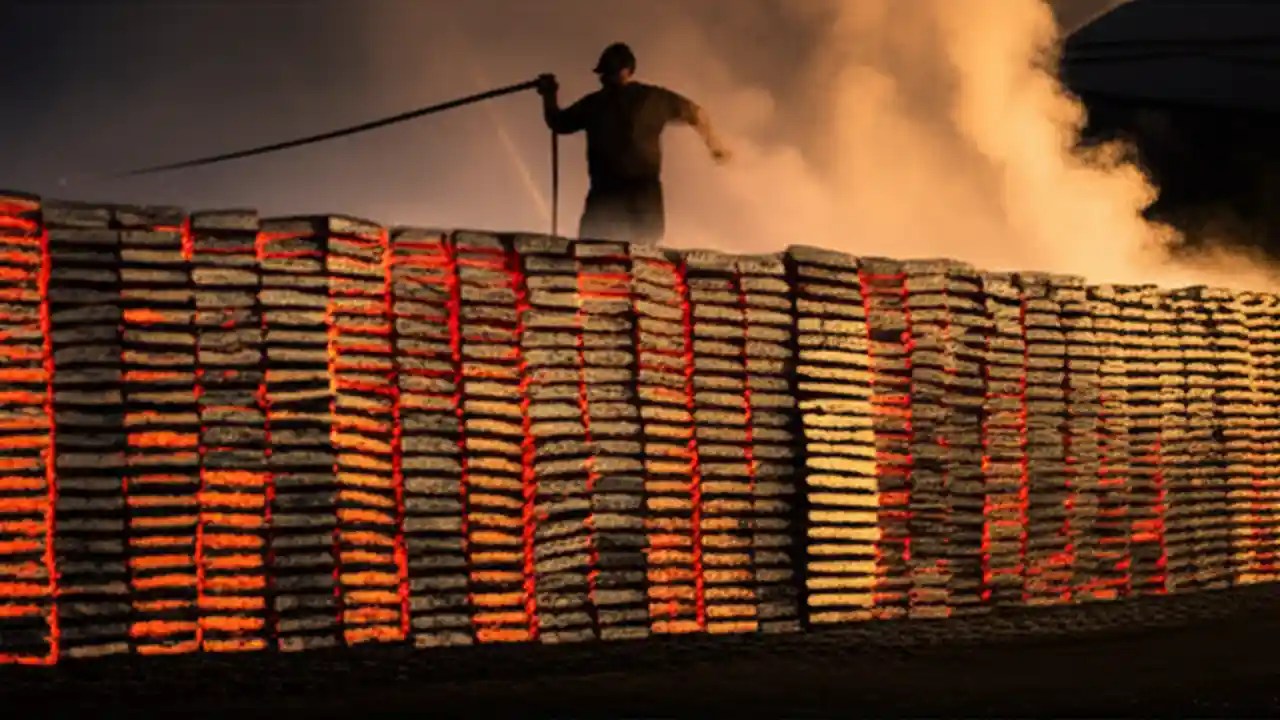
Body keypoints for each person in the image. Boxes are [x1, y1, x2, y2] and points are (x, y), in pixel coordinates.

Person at [536, 42, 731, 245]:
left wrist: (549, 95)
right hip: (625, 197)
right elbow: (696, 113)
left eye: (608, 72)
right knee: (627, 251)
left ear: (626, 70)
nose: (604, 78)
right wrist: (714, 145)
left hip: (618, 196)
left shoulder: (600, 103)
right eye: (603, 73)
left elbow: (558, 122)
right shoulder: (646, 98)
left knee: (597, 250)